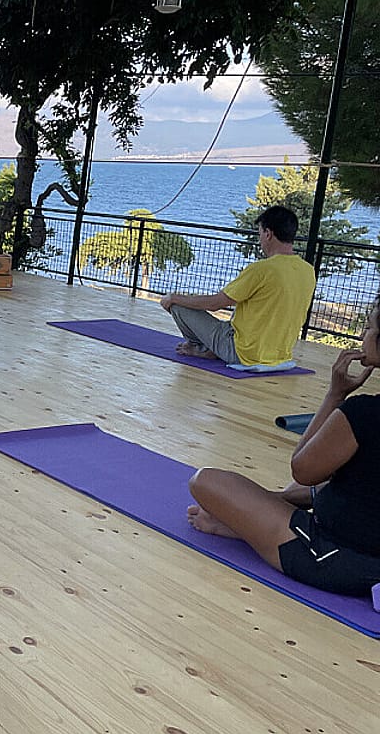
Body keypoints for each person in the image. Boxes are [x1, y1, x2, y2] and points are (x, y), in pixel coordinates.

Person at [186, 298, 380, 596]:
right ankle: (271, 507)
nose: (363, 335)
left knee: (206, 481)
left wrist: (335, 395)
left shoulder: (365, 413)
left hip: (335, 557)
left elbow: (303, 469)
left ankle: (242, 528)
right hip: (358, 532)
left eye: (368, 327)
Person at [160, 205, 315, 367]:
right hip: (280, 355)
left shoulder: (262, 269)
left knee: (178, 306)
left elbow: (215, 304)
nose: (259, 239)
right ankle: (211, 349)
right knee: (231, 320)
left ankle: (201, 348)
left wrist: (173, 297)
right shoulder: (308, 271)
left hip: (241, 353)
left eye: (260, 234)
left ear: (268, 234)